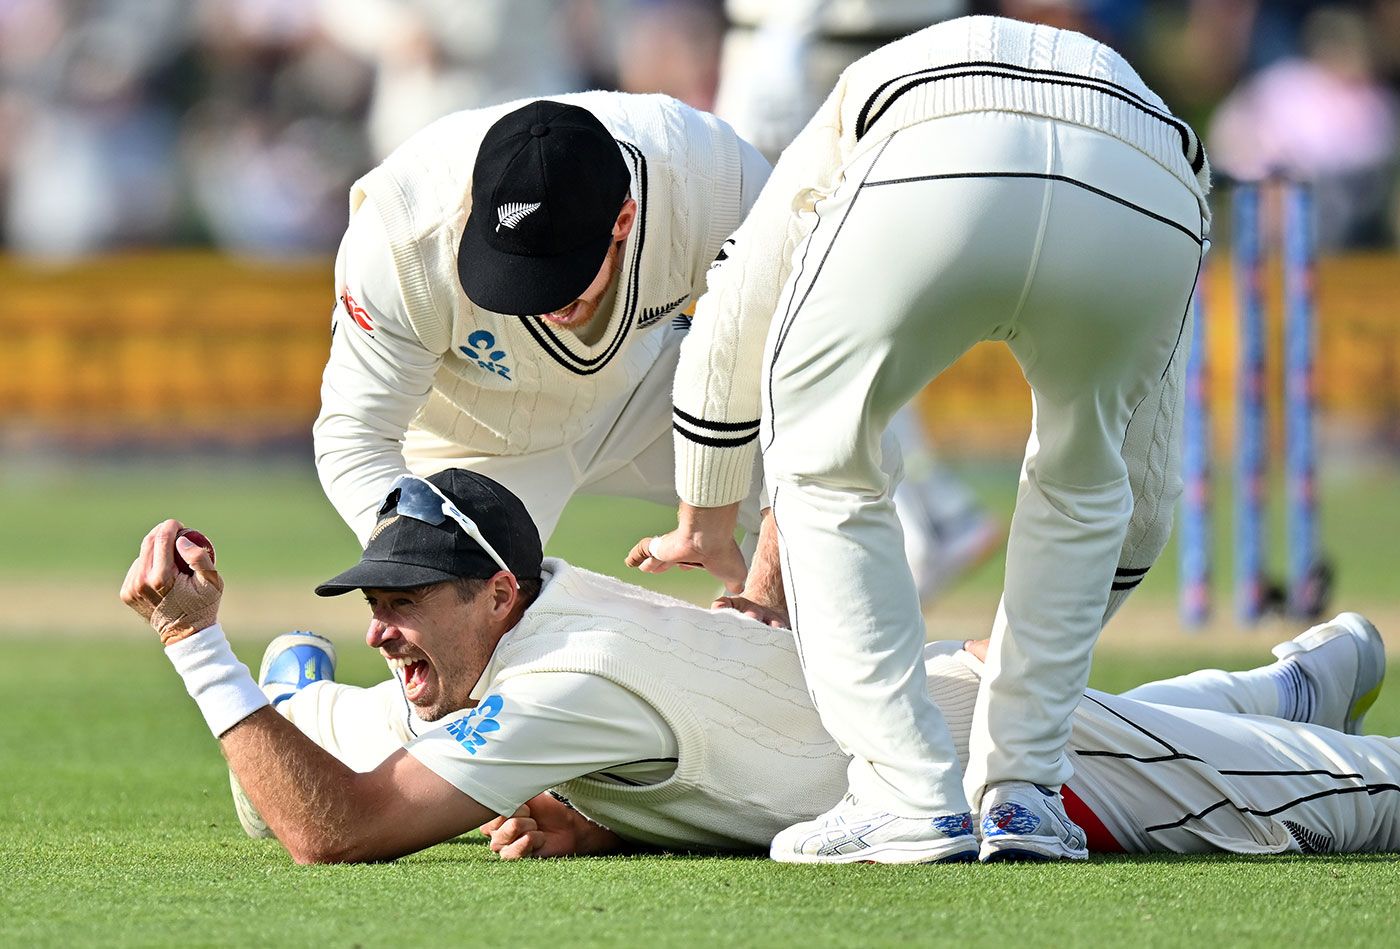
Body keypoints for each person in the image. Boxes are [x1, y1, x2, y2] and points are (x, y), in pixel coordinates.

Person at [119, 470, 1400, 866]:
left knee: (1364, 802)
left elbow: (333, 830)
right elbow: (691, 739)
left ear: (497, 592)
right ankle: (1274, 689)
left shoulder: (555, 682)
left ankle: (1279, 715)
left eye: (404, 603)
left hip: (1011, 761)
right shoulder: (554, 622)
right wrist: (618, 813)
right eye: (371, 605)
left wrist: (195, 644)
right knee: (1238, 744)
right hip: (941, 713)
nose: (383, 628)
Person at [631, 14, 1211, 861]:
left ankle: (905, 791)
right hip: (1153, 176)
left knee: (822, 445)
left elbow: (735, 311)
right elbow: (1144, 488)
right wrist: (1030, 648)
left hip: (940, 147)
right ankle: (1025, 796)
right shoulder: (1159, 130)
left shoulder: (853, 93)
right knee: (1090, 475)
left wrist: (704, 516)